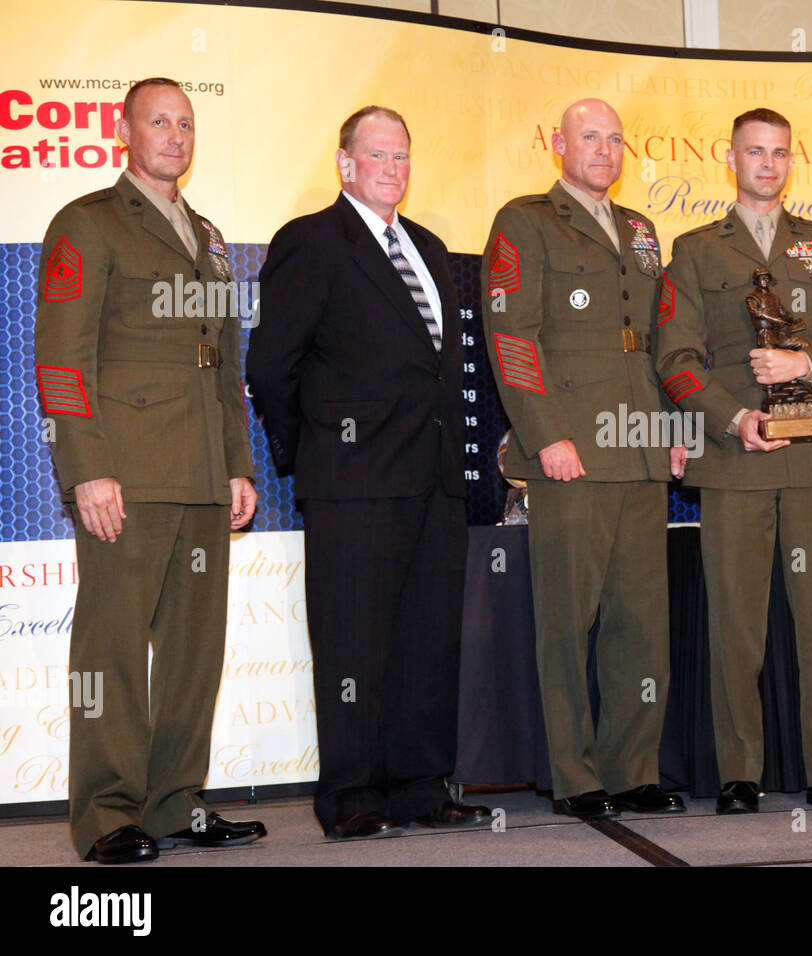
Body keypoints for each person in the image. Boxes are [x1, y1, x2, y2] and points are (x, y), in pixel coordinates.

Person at [33, 77, 265, 863]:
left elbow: (222, 363)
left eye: (186, 124)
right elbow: (62, 360)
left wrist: (237, 464)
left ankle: (175, 804)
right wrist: (87, 471)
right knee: (113, 651)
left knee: (195, 654)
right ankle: (105, 815)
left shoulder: (208, 236)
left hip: (201, 472)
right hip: (126, 475)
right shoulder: (89, 223)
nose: (174, 136)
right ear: (123, 129)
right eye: (159, 122)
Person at [247, 105, 488, 838]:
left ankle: (421, 787)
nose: (393, 169)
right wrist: (316, 452)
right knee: (354, 643)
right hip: (353, 482)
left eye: (403, 157)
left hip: (436, 480)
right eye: (379, 156)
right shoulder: (311, 242)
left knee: (427, 641)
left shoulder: (431, 246)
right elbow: (271, 365)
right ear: (345, 164)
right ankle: (351, 794)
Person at [657, 108, 812, 814]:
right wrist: (734, 418)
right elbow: (675, 358)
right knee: (737, 624)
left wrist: (804, 360)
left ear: (793, 160)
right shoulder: (694, 251)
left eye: (780, 153)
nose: (768, 164)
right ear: (731, 158)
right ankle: (738, 773)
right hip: (735, 459)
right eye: (755, 152)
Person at [481, 99, 685, 819]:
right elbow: (512, 333)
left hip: (640, 445)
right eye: (589, 137)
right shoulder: (526, 219)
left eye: (615, 139)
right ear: (560, 143)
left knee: (641, 622)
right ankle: (575, 775)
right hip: (571, 448)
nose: (604, 149)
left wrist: (675, 424)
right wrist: (546, 434)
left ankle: (632, 768)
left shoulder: (642, 229)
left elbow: (661, 340)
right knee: (568, 621)